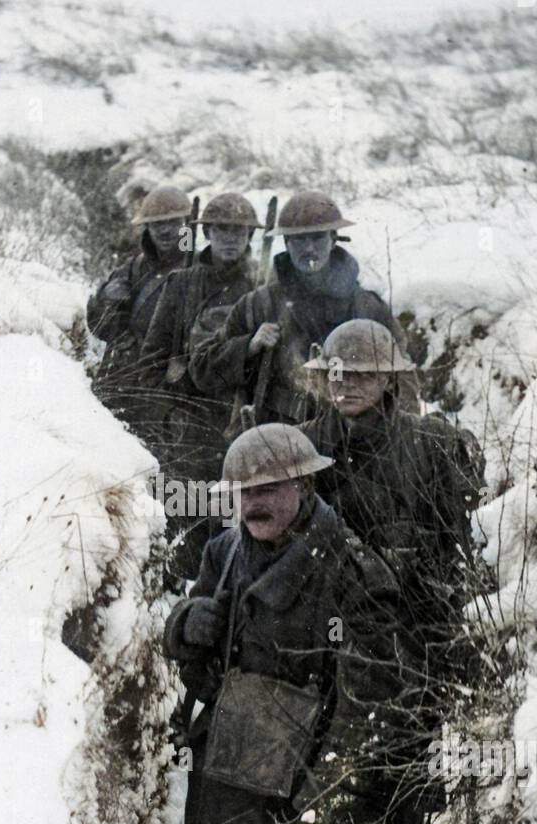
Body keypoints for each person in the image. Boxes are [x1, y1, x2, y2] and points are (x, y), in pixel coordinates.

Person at [164, 423, 410, 824]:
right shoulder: (223, 554)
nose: (255, 502)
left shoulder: (353, 571)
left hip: (304, 798)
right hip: (228, 791)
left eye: (269, 487)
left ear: (303, 484)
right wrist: (186, 628)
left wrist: (323, 806)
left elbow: (371, 704)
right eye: (244, 490)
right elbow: (203, 677)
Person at [299, 318, 486, 824]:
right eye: (338, 373)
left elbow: (450, 550)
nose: (348, 384)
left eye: (365, 374)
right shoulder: (302, 449)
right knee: (325, 777)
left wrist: (440, 643)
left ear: (391, 382)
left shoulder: (430, 448)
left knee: (402, 774)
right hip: (330, 645)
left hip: (408, 639)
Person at [189, 190, 420, 428]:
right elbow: (202, 370)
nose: (308, 248)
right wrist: (248, 346)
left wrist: (405, 438)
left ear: (333, 239)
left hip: (356, 440)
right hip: (280, 440)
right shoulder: (259, 305)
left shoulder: (367, 307)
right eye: (299, 239)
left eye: (317, 237)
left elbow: (402, 376)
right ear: (287, 243)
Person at [138, 192, 263, 586]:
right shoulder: (181, 284)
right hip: (187, 423)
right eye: (222, 230)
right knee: (183, 517)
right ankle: (173, 597)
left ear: (249, 237)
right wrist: (165, 416)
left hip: (238, 422)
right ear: (206, 231)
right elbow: (151, 362)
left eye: (239, 231)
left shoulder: (261, 290)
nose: (230, 239)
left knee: (233, 516)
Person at [85, 184, 193, 439]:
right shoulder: (134, 268)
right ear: (147, 228)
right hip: (121, 384)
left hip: (168, 393)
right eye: (156, 224)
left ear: (186, 223)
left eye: (173, 222)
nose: (165, 230)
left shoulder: (200, 270)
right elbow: (101, 328)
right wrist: (108, 299)